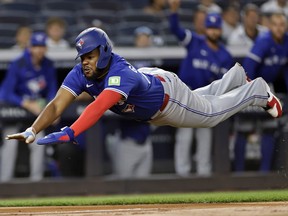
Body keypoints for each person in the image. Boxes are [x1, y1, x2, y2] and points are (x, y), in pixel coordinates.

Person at [4, 27, 282, 159]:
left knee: (210, 114)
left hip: (167, 100)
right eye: (82, 56)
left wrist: (72, 131)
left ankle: (256, 91)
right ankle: (234, 76)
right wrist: (33, 129)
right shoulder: (82, 72)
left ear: (103, 52)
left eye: (89, 56)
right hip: (153, 85)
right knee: (203, 100)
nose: (84, 61)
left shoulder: (118, 73)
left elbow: (99, 106)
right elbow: (56, 105)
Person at [168, 0, 234, 176]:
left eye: (216, 28)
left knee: (205, 137)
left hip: (206, 96)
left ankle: (204, 174)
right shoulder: (195, 42)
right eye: (210, 27)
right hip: (186, 93)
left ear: (220, 30)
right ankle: (182, 174)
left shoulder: (225, 55)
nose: (213, 31)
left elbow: (225, 83)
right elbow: (176, 30)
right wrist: (174, 11)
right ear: (205, 28)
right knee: (185, 136)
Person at [233, 12, 288, 172]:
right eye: (276, 25)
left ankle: (265, 173)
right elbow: (248, 68)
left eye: (282, 25)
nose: (279, 28)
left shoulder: (286, 42)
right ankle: (239, 173)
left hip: (268, 86)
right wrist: (250, 93)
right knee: (244, 128)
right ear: (270, 26)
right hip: (249, 85)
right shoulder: (263, 41)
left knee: (269, 127)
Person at [0, 32, 57, 182]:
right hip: (15, 113)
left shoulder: (48, 65)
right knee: (9, 144)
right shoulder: (18, 63)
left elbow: (52, 91)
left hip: (36, 114)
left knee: (39, 142)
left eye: (42, 47)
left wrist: (52, 110)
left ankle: (36, 184)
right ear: (30, 47)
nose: (39, 50)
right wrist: (25, 103)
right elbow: (5, 93)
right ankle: (4, 183)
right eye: (36, 46)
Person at [105, 26, 154, 179]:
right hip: (127, 142)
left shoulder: (153, 65)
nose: (144, 40)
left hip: (146, 142)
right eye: (141, 37)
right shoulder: (126, 64)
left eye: (146, 37)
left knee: (144, 189)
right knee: (123, 186)